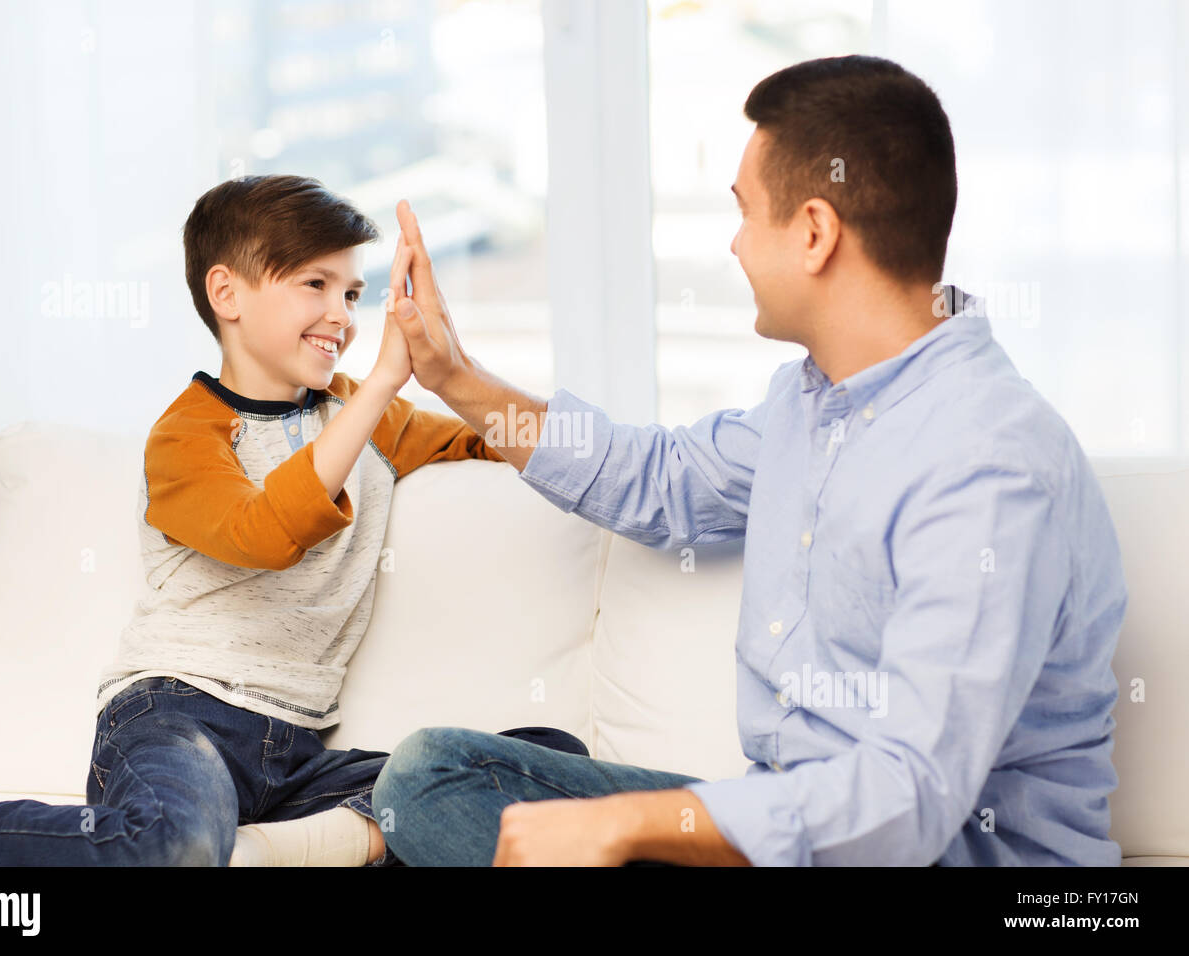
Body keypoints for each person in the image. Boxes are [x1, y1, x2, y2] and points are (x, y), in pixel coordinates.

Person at [370, 55, 1127, 866]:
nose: (733, 246)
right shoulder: (808, 406)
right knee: (433, 779)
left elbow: (908, 802)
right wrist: (456, 378)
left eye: (744, 214)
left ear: (813, 232)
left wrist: (627, 826)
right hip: (792, 831)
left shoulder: (989, 466)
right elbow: (656, 479)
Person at [0, 174, 587, 867]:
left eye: (351, 293)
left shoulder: (366, 419)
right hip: (177, 716)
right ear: (227, 295)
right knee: (174, 847)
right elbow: (262, 534)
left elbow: (505, 438)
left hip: (299, 749)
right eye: (315, 285)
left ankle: (298, 839)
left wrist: (449, 366)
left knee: (543, 772)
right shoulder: (188, 436)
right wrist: (379, 386)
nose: (343, 315)